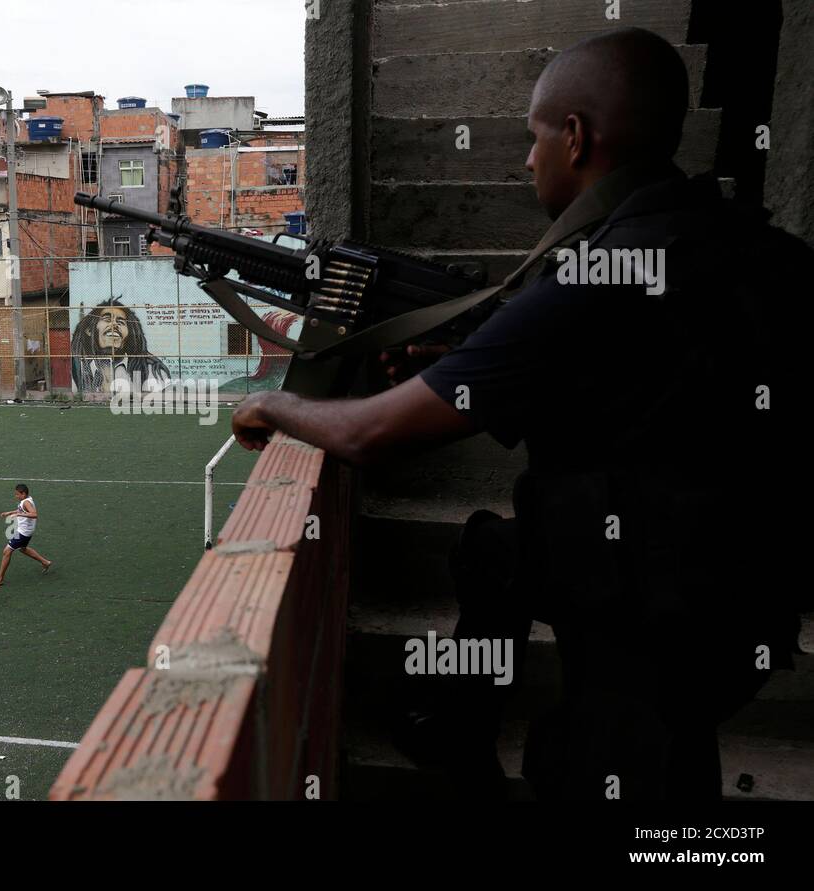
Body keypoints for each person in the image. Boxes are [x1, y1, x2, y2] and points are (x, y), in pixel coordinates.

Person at [230, 27, 803, 800]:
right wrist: (478, 373)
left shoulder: (594, 276)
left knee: (605, 768)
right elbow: (656, 388)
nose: (526, 160)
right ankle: (457, 721)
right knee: (497, 554)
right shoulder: (726, 237)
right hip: (742, 589)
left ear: (575, 138)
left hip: (660, 626)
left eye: (533, 138)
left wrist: (273, 401)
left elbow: (370, 434)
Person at [70, 298, 171, 395]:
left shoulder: (150, 369)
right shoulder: (80, 367)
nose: (114, 324)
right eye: (107, 319)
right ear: (89, 330)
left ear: (129, 333)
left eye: (121, 322)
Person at [0, 484, 51, 587]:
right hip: (25, 531)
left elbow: (34, 514)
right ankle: (45, 562)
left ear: (23, 493)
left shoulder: (26, 502)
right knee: (23, 549)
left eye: (17, 494)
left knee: (6, 552)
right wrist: (10, 512)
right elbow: (22, 510)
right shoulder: (27, 500)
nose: (16, 496)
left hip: (23, 532)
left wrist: (19, 515)